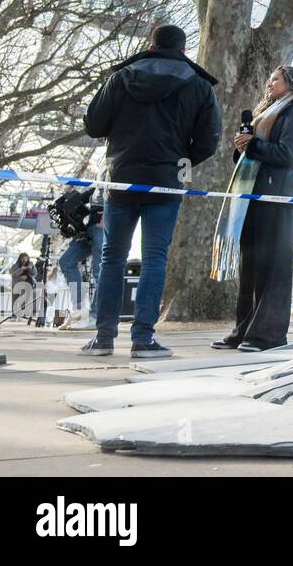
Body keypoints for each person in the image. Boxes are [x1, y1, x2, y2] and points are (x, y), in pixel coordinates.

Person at [79, 24, 221, 358]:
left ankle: (102, 338)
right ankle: (143, 339)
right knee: (155, 258)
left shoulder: (121, 77)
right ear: (184, 50)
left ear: (151, 45)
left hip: (121, 177)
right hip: (166, 180)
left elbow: (93, 124)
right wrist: (181, 159)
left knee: (112, 256)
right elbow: (209, 140)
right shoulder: (200, 86)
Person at [211, 66, 293, 353]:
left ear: (292, 83)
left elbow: (287, 154)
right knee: (250, 269)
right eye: (269, 78)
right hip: (252, 197)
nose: (269, 83)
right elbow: (251, 154)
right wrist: (242, 146)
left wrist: (254, 145)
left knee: (273, 270)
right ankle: (242, 331)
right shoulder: (266, 113)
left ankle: (268, 335)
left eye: (276, 79)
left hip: (278, 198)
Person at [57, 189, 104, 328]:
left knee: (99, 271)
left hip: (103, 226)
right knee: (66, 261)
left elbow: (119, 194)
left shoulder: (114, 172)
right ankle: (79, 310)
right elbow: (83, 197)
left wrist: (108, 216)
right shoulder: (97, 185)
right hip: (89, 228)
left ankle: (96, 316)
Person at [9, 252, 38, 320]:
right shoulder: (16, 265)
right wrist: (21, 269)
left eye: (26, 258)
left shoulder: (31, 264)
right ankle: (14, 315)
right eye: (23, 258)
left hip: (27, 284)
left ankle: (21, 314)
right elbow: (13, 274)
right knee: (15, 300)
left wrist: (31, 268)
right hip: (17, 284)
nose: (24, 260)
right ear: (20, 258)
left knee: (24, 299)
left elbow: (35, 274)